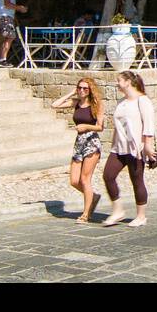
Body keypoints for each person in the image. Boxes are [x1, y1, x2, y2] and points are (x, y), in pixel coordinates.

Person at [101, 71, 157, 227]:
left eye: (119, 80)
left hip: (136, 147)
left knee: (136, 180)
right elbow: (117, 125)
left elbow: (149, 124)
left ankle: (141, 216)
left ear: (127, 82)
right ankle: (117, 210)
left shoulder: (143, 101)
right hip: (119, 147)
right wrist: (113, 144)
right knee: (108, 175)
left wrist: (147, 145)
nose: (117, 83)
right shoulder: (122, 102)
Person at [51, 77, 104, 223]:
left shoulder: (96, 105)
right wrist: (70, 93)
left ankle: (86, 214)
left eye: (85, 88)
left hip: (91, 143)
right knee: (74, 181)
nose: (81, 90)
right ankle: (93, 196)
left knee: (85, 179)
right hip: (79, 143)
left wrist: (86, 127)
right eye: (79, 88)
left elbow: (100, 127)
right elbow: (54, 105)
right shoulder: (76, 103)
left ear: (90, 90)